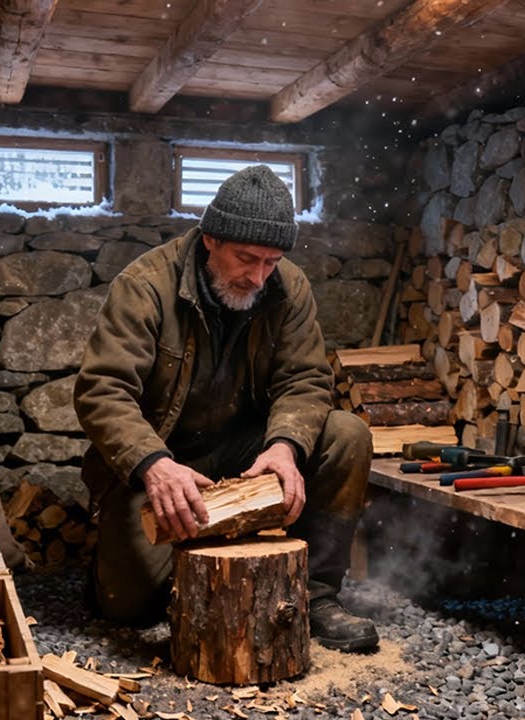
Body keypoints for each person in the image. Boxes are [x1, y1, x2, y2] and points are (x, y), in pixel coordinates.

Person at [74, 165, 378, 652]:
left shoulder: (287, 286)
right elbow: (102, 390)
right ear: (210, 239)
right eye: (246, 258)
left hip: (246, 451)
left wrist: (285, 447)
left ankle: (315, 595)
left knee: (347, 433)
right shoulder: (145, 286)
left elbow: (304, 378)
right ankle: (114, 565)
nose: (258, 276)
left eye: (272, 261)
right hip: (165, 459)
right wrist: (154, 465)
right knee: (130, 609)